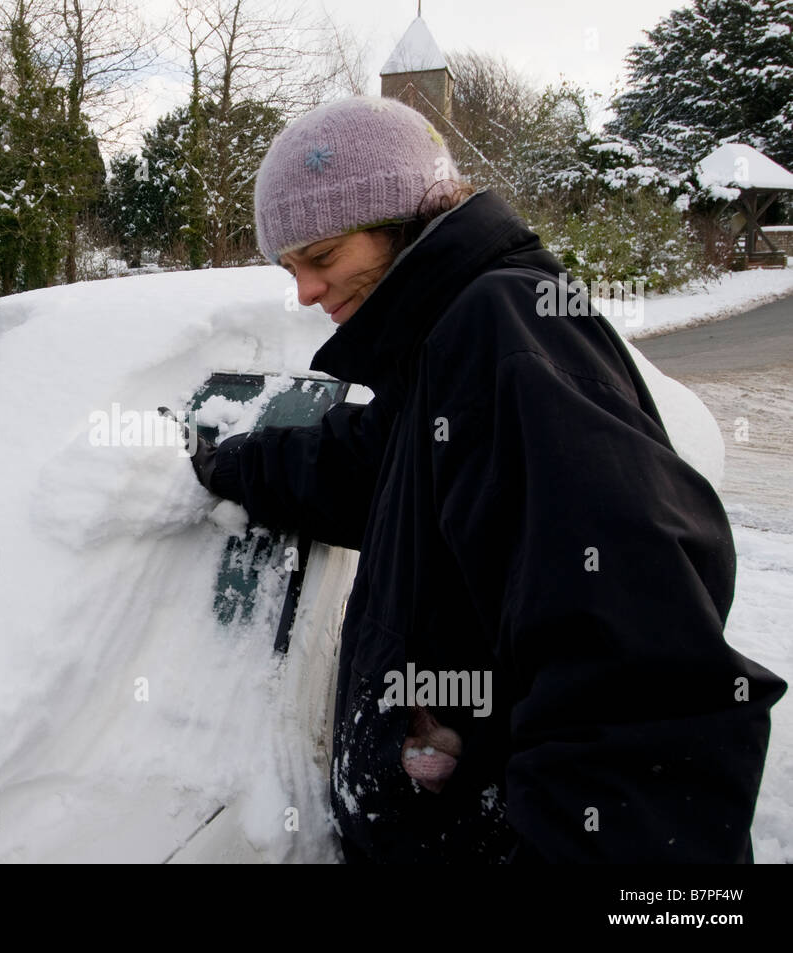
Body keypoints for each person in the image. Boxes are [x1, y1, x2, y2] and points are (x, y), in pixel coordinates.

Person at [188, 95, 787, 863]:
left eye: (323, 256)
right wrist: (229, 463)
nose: (304, 290)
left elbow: (637, 674)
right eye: (289, 267)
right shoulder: (445, 338)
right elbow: (376, 468)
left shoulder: (503, 331)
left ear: (400, 220)